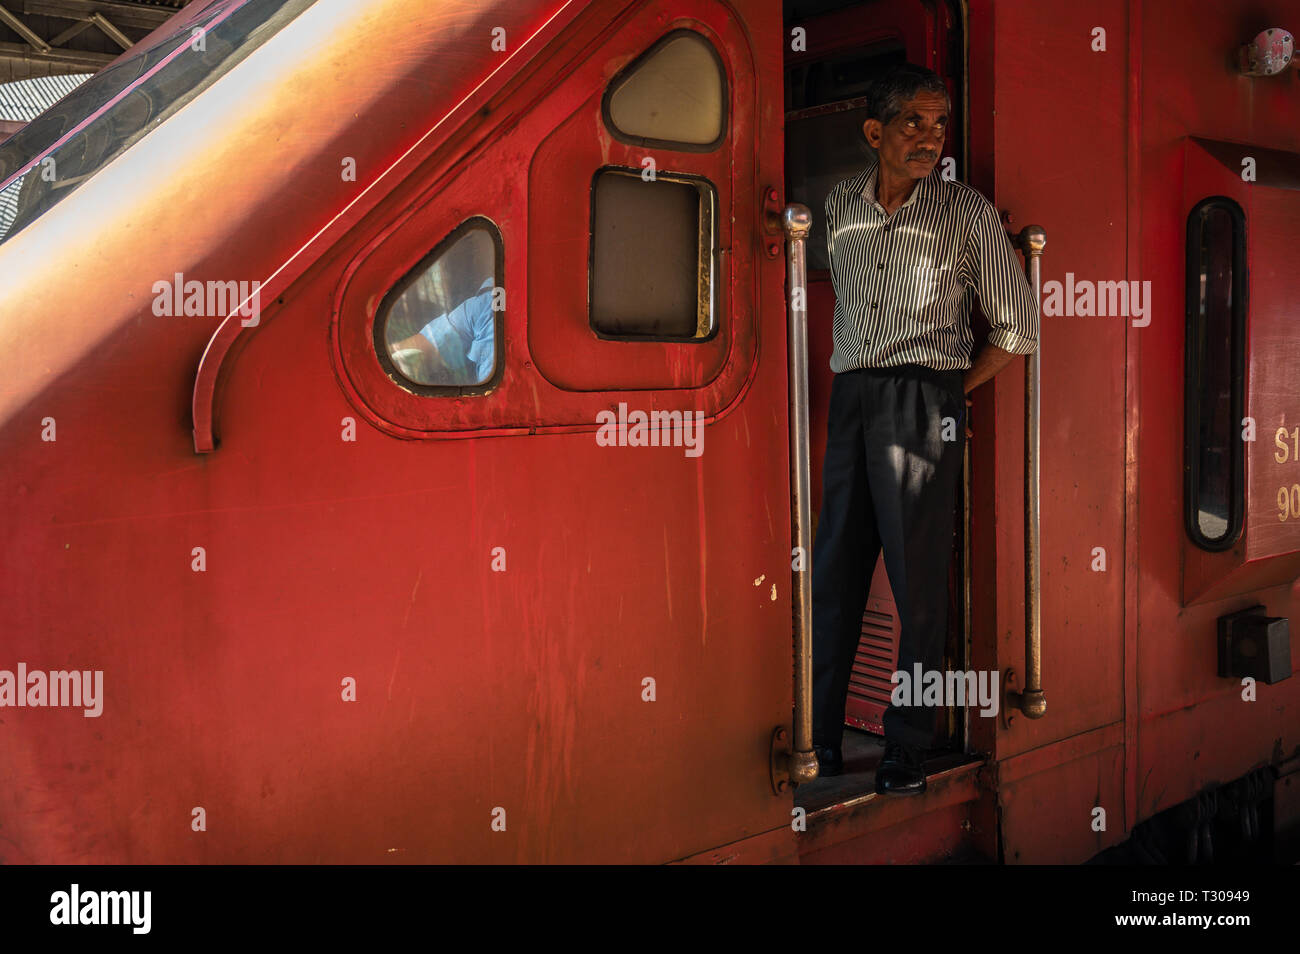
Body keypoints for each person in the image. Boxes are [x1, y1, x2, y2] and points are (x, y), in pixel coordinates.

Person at [811, 63, 1039, 796]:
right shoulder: (841, 202)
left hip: (924, 397)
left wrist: (949, 392)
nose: (931, 137)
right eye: (914, 122)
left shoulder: (964, 211)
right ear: (875, 131)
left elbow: (1018, 327)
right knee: (836, 579)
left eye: (939, 123)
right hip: (851, 399)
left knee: (918, 592)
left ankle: (905, 749)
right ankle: (816, 739)